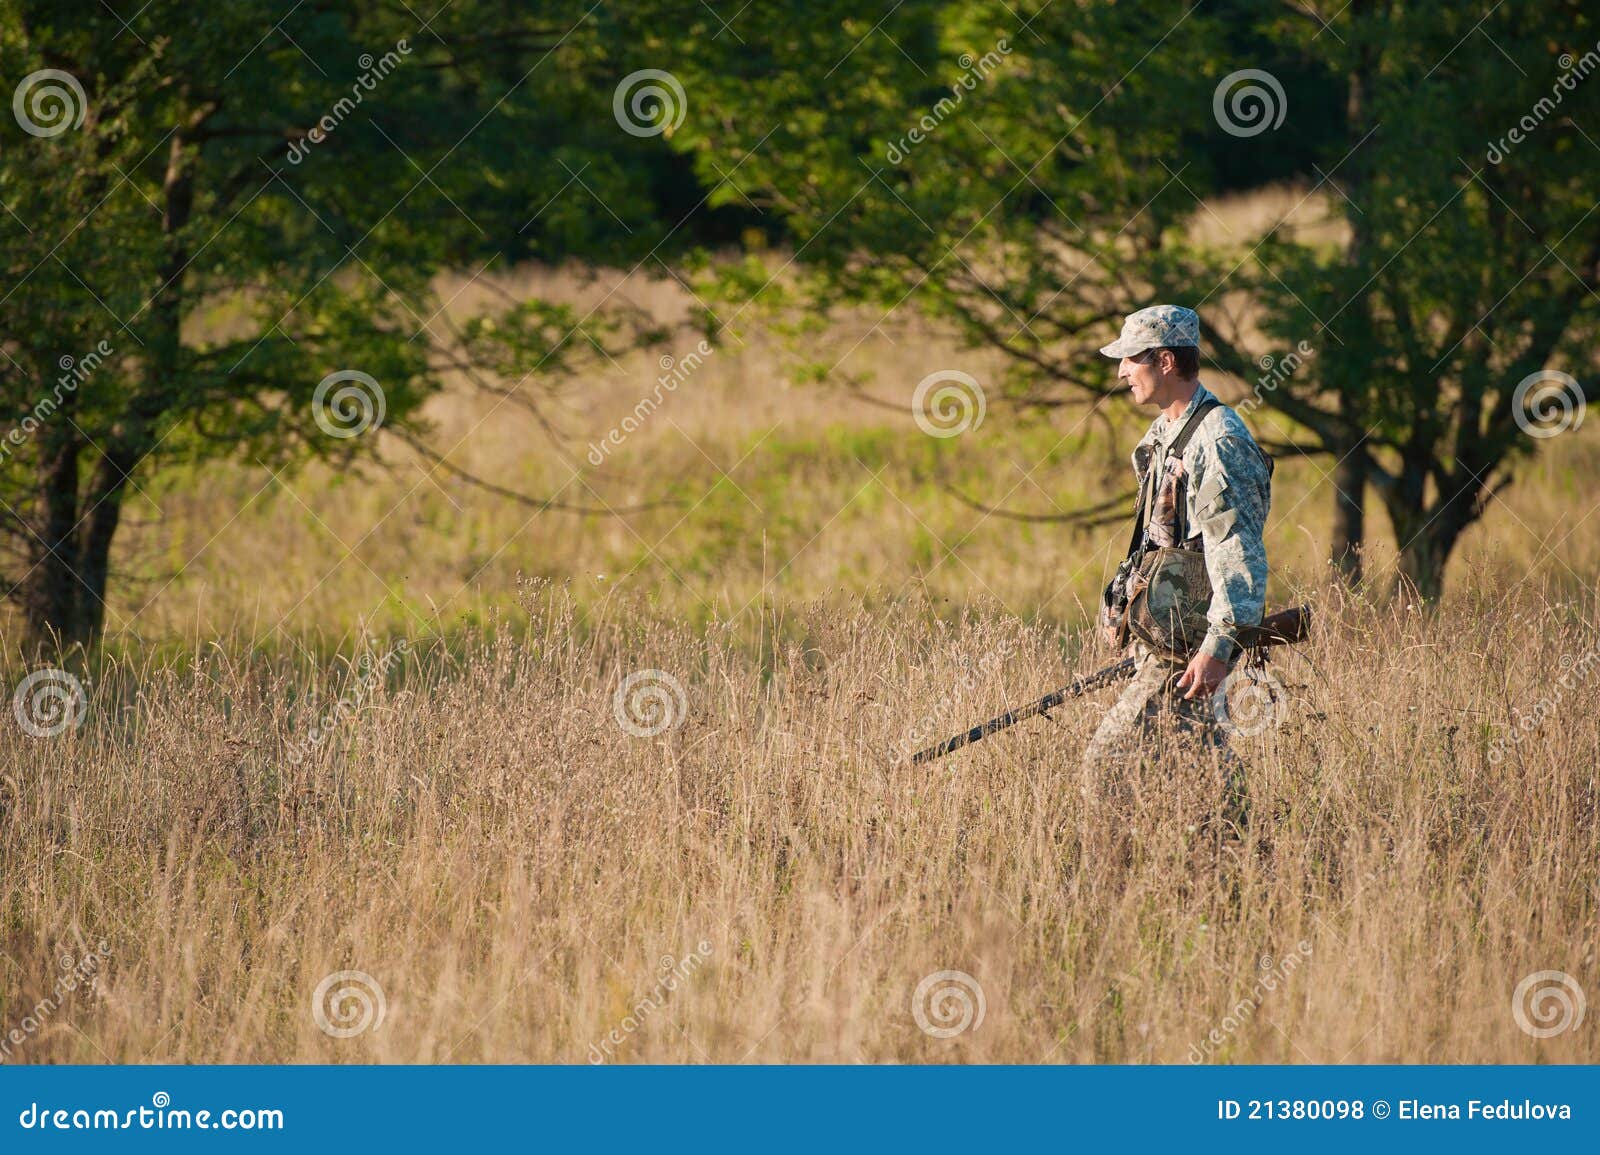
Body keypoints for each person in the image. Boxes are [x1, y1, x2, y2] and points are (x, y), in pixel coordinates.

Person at [1081, 305, 1273, 821]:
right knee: (1203, 773)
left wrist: (1219, 646)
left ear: (1165, 361)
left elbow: (1238, 553)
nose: (1121, 371)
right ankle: (1245, 867)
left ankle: (1113, 877)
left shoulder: (1218, 441)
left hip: (1189, 645)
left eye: (1130, 359)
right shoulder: (1165, 433)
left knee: (1107, 763)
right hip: (1165, 640)